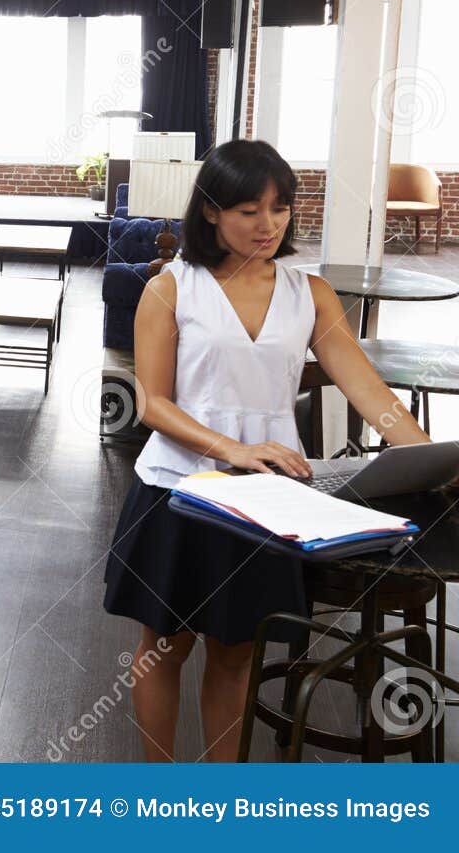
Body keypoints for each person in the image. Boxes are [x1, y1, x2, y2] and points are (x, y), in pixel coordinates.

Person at [103, 139, 432, 762]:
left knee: (237, 654)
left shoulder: (310, 293)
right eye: (249, 210)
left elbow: (367, 390)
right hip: (179, 492)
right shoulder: (172, 289)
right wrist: (235, 447)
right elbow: (152, 404)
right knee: (164, 650)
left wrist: (429, 457)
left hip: (269, 503)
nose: (267, 225)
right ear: (210, 212)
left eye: (280, 209)